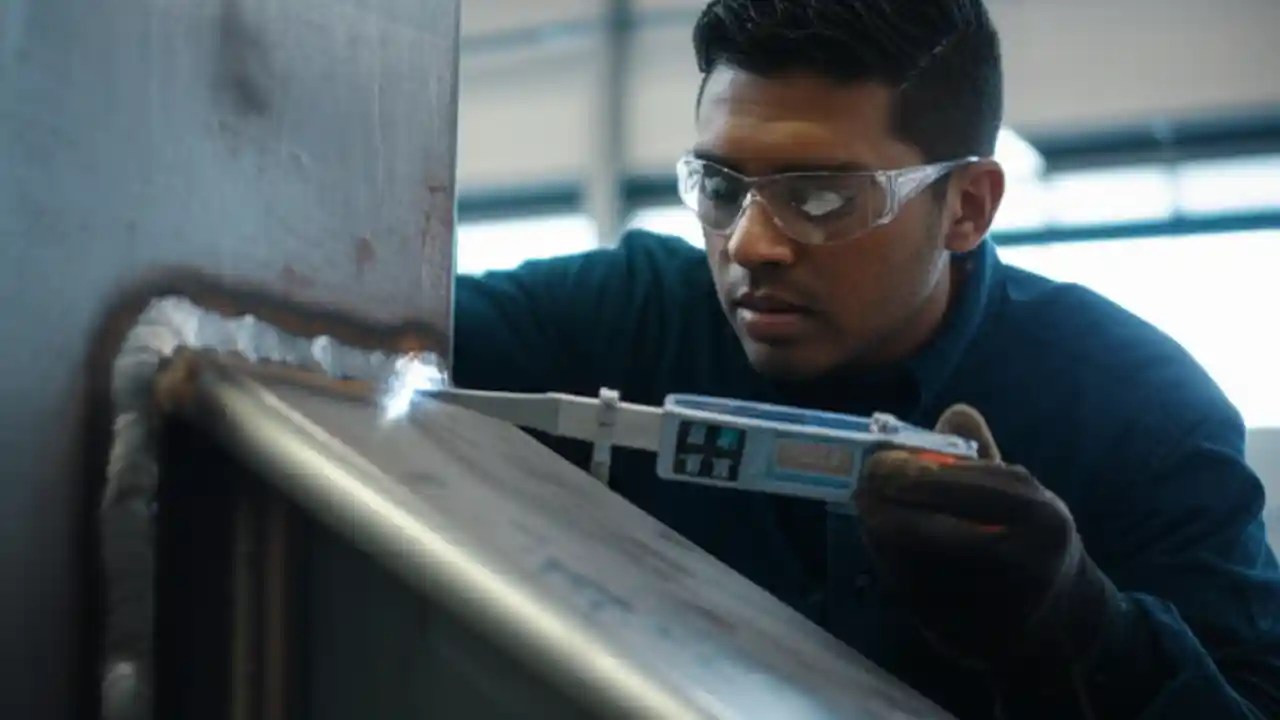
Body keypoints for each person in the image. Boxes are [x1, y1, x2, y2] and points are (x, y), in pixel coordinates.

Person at [453, 1, 1280, 717]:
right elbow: (357, 325)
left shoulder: (1136, 409)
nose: (750, 243)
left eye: (819, 198)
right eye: (719, 186)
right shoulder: (622, 318)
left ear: (967, 206)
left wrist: (1077, 623)